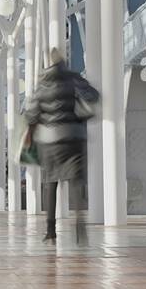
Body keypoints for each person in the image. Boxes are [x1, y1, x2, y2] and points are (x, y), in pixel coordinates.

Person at [23, 47, 99, 243]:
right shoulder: (73, 78)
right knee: (76, 182)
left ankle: (50, 230)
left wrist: (30, 134)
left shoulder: (42, 85)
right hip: (73, 136)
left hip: (49, 141)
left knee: (51, 184)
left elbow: (31, 113)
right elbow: (93, 96)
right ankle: (80, 225)